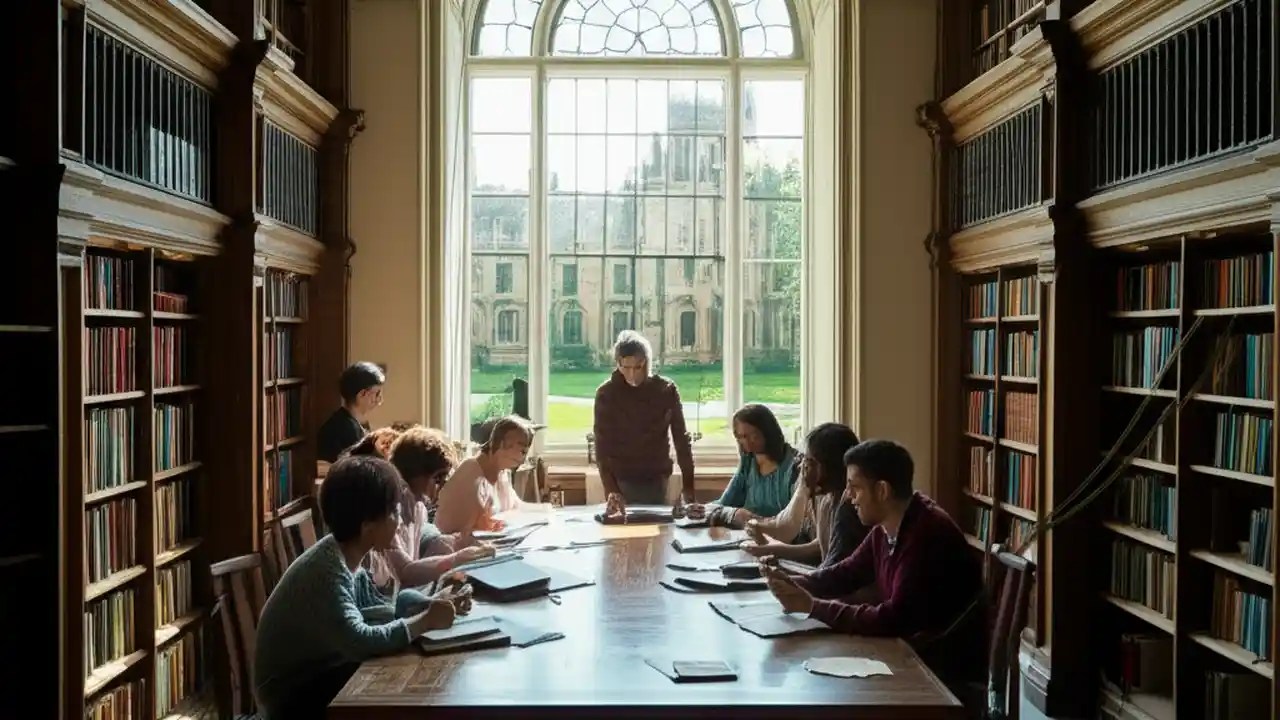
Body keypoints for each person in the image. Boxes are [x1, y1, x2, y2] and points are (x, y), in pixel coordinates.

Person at [759, 439, 985, 686]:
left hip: (938, 671)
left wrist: (813, 607)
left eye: (855, 487)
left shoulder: (926, 534)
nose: (849, 497)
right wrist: (791, 582)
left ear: (882, 491)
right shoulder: (890, 524)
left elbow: (893, 619)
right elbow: (848, 573)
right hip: (910, 652)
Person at [253, 455, 463, 719]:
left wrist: (428, 603)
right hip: (293, 697)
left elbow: (380, 611)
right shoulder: (326, 571)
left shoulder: (349, 554)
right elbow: (361, 640)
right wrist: (424, 622)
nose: (399, 522)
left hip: (324, 671)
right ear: (367, 526)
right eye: (394, 512)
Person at [367, 426, 494, 589]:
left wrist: (460, 543)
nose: (441, 486)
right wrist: (456, 559)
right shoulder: (390, 509)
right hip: (381, 593)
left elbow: (414, 559)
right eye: (437, 478)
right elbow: (404, 572)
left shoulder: (418, 508)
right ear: (415, 472)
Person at [594, 330, 696, 515]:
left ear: (648, 362)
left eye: (638, 367)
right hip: (620, 477)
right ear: (618, 364)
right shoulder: (606, 394)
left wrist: (688, 486)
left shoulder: (666, 390)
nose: (632, 375)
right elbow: (602, 447)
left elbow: (681, 440)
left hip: (656, 476)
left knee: (655, 529)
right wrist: (611, 490)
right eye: (626, 367)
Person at [741, 422, 868, 567]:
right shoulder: (827, 500)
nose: (802, 467)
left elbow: (835, 570)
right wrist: (772, 550)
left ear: (831, 466)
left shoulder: (852, 508)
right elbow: (822, 545)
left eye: (809, 461)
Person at [697, 404, 799, 527]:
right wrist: (700, 510)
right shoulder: (748, 462)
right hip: (748, 532)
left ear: (768, 432)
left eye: (753, 436)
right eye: (741, 437)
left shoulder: (794, 466)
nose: (746, 442)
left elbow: (794, 520)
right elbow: (726, 502)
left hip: (780, 535)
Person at [434, 416, 535, 537]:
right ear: (503, 445)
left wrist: (549, 512)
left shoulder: (502, 472)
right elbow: (468, 531)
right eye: (522, 452)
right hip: (458, 548)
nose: (523, 460)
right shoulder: (471, 474)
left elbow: (516, 506)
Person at [317, 362, 386, 462]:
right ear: (362, 394)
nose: (380, 400)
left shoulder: (348, 422)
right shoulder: (344, 430)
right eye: (377, 394)